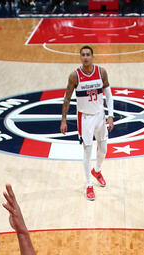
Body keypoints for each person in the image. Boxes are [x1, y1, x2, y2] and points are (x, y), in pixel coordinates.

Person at [58, 45, 114, 202]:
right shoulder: (74, 76)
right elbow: (67, 98)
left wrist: (111, 115)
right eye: (83, 55)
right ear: (80, 57)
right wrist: (63, 119)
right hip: (85, 118)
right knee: (88, 151)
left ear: (92, 56)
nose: (85, 57)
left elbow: (109, 96)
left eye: (88, 54)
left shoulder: (101, 72)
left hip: (100, 115)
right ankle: (89, 185)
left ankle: (97, 171)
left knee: (104, 148)